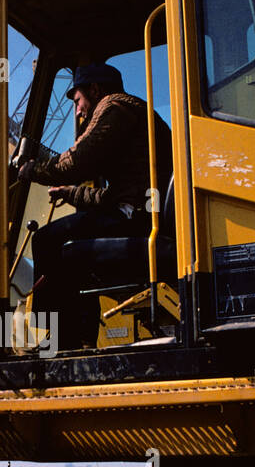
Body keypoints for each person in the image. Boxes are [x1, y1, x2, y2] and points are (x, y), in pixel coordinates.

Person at [18, 63, 170, 349]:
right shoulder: (135, 113)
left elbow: (76, 163)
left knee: (47, 240)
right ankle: (80, 336)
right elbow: (112, 197)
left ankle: (61, 340)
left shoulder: (115, 108)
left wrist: (31, 170)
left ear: (95, 89)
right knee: (68, 241)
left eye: (78, 101)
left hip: (137, 218)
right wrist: (72, 194)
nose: (78, 111)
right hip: (142, 212)